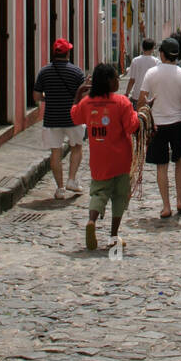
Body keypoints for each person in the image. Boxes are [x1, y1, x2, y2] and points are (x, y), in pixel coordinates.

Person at [70, 63, 140, 251]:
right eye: (116, 78)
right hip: (121, 159)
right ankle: (113, 235)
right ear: (109, 81)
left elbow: (75, 117)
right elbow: (132, 127)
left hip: (99, 159)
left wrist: (78, 96)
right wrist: (138, 114)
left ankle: (91, 221)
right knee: (119, 196)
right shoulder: (122, 102)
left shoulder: (87, 103)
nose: (118, 81)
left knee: (98, 193)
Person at [137, 37, 181, 218]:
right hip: (178, 123)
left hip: (157, 125)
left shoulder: (151, 74)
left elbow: (141, 101)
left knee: (161, 166)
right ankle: (180, 200)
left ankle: (166, 206)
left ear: (161, 54)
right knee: (180, 161)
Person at [33, 39, 86, 198]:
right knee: (76, 147)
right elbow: (83, 96)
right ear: (68, 53)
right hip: (73, 117)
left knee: (55, 152)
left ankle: (60, 188)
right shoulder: (77, 72)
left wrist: (48, 98)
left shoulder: (44, 72)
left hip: (52, 118)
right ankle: (71, 179)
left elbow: (36, 96)